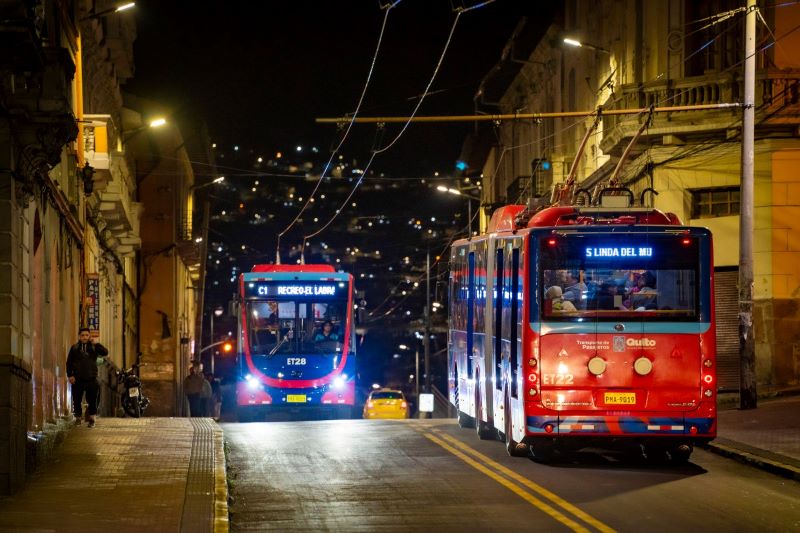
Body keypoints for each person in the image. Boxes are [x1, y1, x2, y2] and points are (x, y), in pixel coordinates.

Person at [66, 327, 109, 428]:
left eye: (86, 335)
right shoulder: (74, 348)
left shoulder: (93, 347)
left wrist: (96, 344)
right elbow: (69, 362)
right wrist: (70, 375)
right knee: (76, 400)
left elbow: (105, 352)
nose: (84, 337)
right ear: (79, 337)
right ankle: (78, 418)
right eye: (82, 335)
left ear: (89, 336)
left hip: (91, 378)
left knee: (92, 400)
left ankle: (92, 419)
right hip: (77, 379)